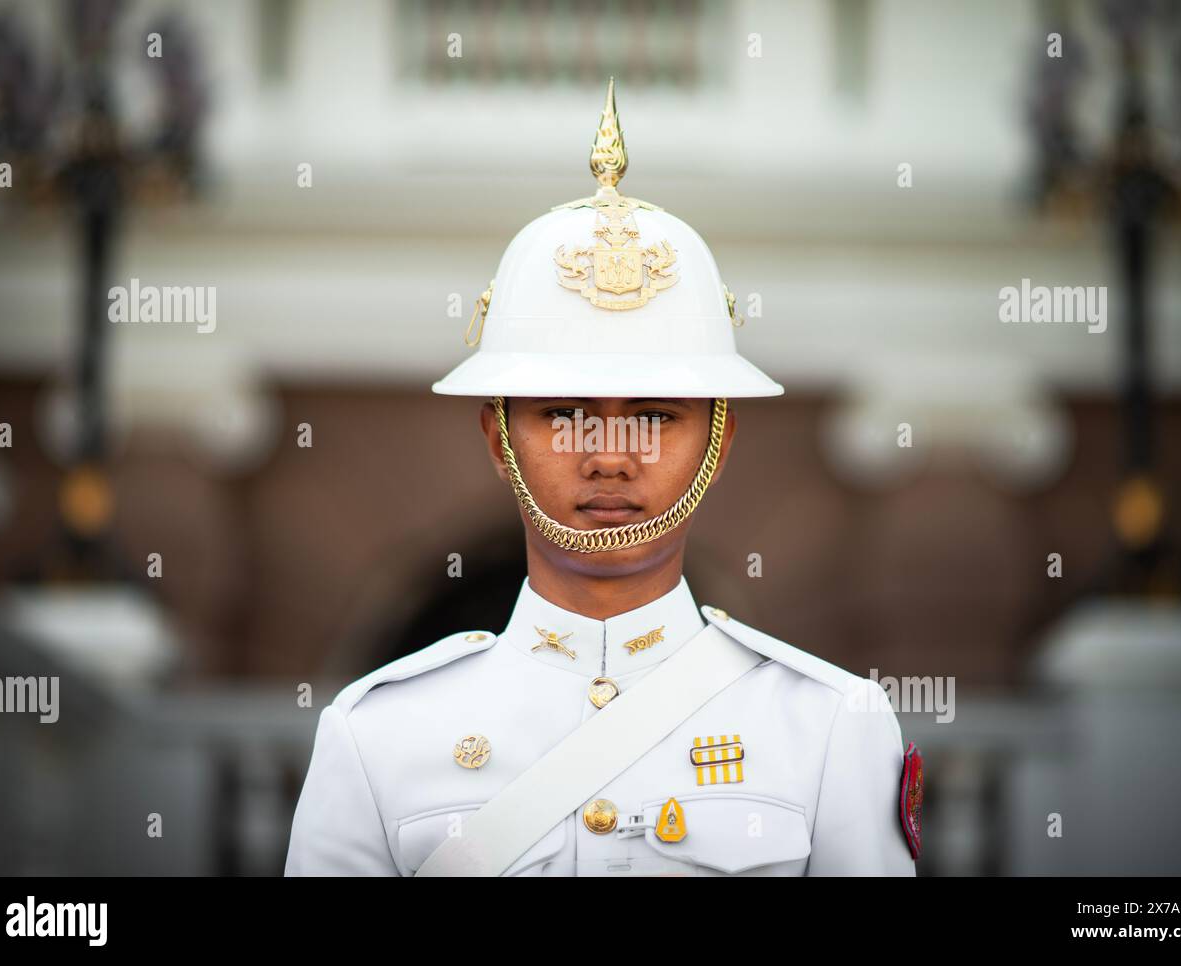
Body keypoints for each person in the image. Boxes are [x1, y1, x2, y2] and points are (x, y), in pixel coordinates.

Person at [284, 80, 921, 877]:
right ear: (497, 435)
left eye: (654, 416)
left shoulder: (829, 726)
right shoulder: (375, 734)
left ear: (719, 441)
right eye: (563, 412)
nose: (610, 454)